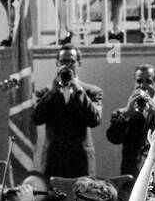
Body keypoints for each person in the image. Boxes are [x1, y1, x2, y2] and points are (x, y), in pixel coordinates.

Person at [32, 44, 104, 178]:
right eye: (63, 61)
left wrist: (78, 91)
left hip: (81, 160)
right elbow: (36, 118)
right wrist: (52, 91)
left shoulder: (92, 91)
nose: (67, 65)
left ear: (79, 63)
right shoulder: (45, 92)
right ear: (57, 63)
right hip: (54, 160)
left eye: (71, 61)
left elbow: (94, 120)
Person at [106, 63, 155, 177]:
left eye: (148, 81)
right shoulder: (122, 113)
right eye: (139, 81)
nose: (143, 85)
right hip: (131, 172)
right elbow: (113, 138)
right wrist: (127, 113)